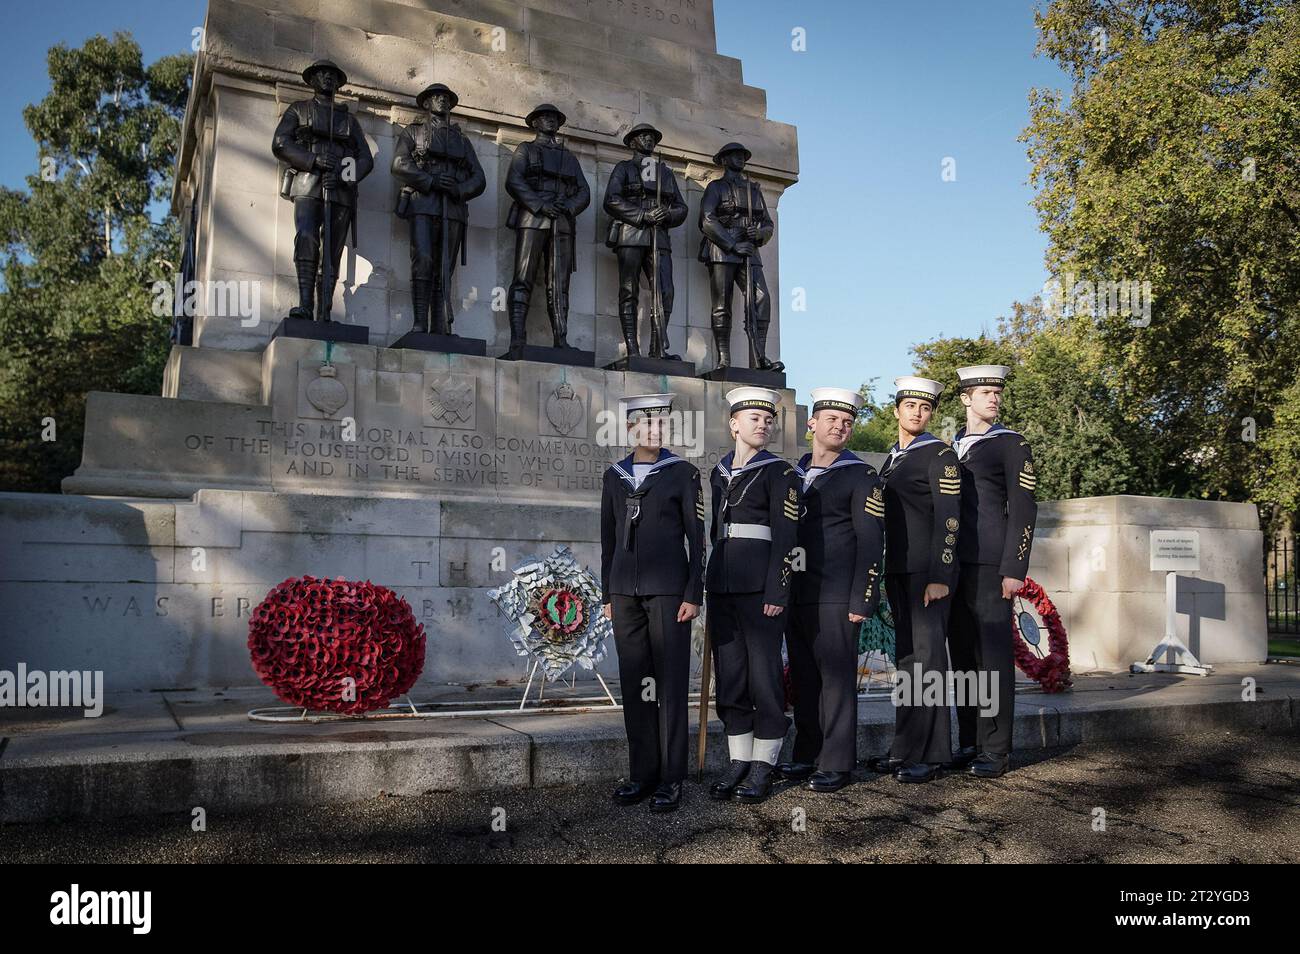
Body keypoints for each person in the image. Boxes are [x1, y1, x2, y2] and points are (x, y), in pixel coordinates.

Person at [600, 393, 705, 813]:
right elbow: (608, 537)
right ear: (630, 428)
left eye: (662, 424)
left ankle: (671, 778)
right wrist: (609, 592)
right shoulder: (614, 476)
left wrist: (693, 592)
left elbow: (697, 539)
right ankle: (642, 773)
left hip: (668, 592)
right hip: (625, 593)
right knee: (636, 683)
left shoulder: (682, 473)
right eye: (646, 423)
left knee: (670, 684)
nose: (655, 430)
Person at [778, 387, 884, 792]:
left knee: (837, 681)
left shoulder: (860, 474)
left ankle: (838, 764)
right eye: (832, 420)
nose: (840, 427)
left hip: (839, 595)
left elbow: (872, 541)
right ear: (812, 425)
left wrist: (864, 597)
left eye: (847, 422)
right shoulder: (795, 473)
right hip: (799, 593)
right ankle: (807, 754)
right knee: (805, 678)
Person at [706, 387, 800, 804]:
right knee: (732, 677)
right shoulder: (719, 470)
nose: (763, 425)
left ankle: (765, 763)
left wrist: (778, 587)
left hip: (762, 587)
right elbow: (714, 531)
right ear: (734, 424)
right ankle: (738, 759)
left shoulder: (780, 472)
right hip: (724, 583)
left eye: (768, 420)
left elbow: (787, 536)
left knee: (764, 677)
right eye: (754, 419)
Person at [946, 365, 1038, 778]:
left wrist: (1014, 567)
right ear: (966, 398)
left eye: (996, 393)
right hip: (955, 565)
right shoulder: (953, 445)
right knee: (963, 657)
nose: (993, 399)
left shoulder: (1011, 444)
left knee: (993, 659)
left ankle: (996, 749)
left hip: (991, 563)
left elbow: (1024, 508)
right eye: (984, 392)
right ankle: (970, 741)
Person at [866, 376, 959, 783]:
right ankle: (905, 747)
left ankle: (935, 753)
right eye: (910, 406)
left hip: (928, 574)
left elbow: (950, 518)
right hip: (900, 572)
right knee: (906, 662)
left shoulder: (940, 454)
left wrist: (940, 574)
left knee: (930, 662)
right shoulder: (894, 458)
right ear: (897, 410)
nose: (917, 413)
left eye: (925, 408)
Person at [271, 59, 374, 322]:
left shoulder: (349, 120)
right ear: (313, 80)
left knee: (333, 249)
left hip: (339, 189)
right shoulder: (299, 109)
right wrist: (314, 160)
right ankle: (306, 305)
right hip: (307, 182)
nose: (327, 78)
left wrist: (343, 175)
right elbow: (281, 143)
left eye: (332, 75)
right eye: (322, 74)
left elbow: (365, 159)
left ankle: (324, 309)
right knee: (306, 236)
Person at [390, 82, 486, 335]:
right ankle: (420, 322)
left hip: (452, 207)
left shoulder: (462, 141)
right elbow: (399, 164)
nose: (442, 101)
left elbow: (479, 178)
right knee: (423, 260)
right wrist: (431, 181)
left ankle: (440, 325)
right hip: (423, 202)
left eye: (446, 98)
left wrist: (458, 189)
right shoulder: (415, 132)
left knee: (445, 267)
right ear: (426, 103)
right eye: (436, 97)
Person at [503, 103, 591, 356]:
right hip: (533, 218)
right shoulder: (526, 149)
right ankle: (517, 339)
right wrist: (541, 205)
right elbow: (514, 181)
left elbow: (584, 191)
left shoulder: (569, 157)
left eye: (554, 118)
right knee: (523, 279)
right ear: (535, 123)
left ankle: (561, 340)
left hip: (562, 221)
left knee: (560, 284)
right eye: (544, 118)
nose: (550, 121)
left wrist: (567, 208)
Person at [602, 123, 688, 359]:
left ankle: (657, 350)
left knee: (666, 291)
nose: (648, 139)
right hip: (631, 233)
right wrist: (642, 215)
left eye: (651, 136)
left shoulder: (666, 173)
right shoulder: (624, 168)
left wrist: (667, 214)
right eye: (643, 136)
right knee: (629, 291)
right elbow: (611, 200)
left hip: (659, 236)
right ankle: (632, 350)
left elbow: (682, 207)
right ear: (632, 142)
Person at [697, 143, 782, 372]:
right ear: (724, 160)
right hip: (723, 249)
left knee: (761, 299)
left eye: (742, 155)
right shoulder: (715, 187)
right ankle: (724, 358)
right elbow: (706, 220)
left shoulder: (753, 189)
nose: (739, 159)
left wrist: (760, 234)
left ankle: (759, 358)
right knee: (722, 305)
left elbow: (767, 223)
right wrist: (732, 244)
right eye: (734, 155)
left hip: (750, 249)